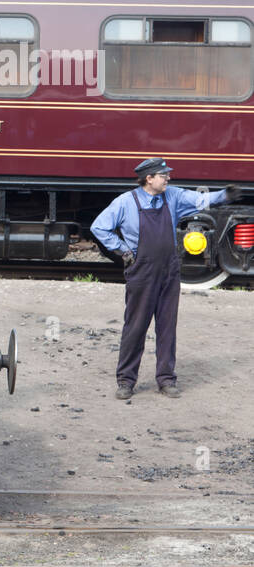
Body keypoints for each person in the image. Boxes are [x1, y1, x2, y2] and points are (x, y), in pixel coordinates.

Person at [90, 158, 241, 399]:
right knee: (136, 326)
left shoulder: (174, 196)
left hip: (169, 271)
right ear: (148, 179)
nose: (168, 178)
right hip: (142, 271)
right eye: (163, 175)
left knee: (167, 327)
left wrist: (226, 195)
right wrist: (123, 250)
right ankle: (126, 381)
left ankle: (166, 379)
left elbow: (201, 200)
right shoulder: (126, 202)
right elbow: (99, 227)